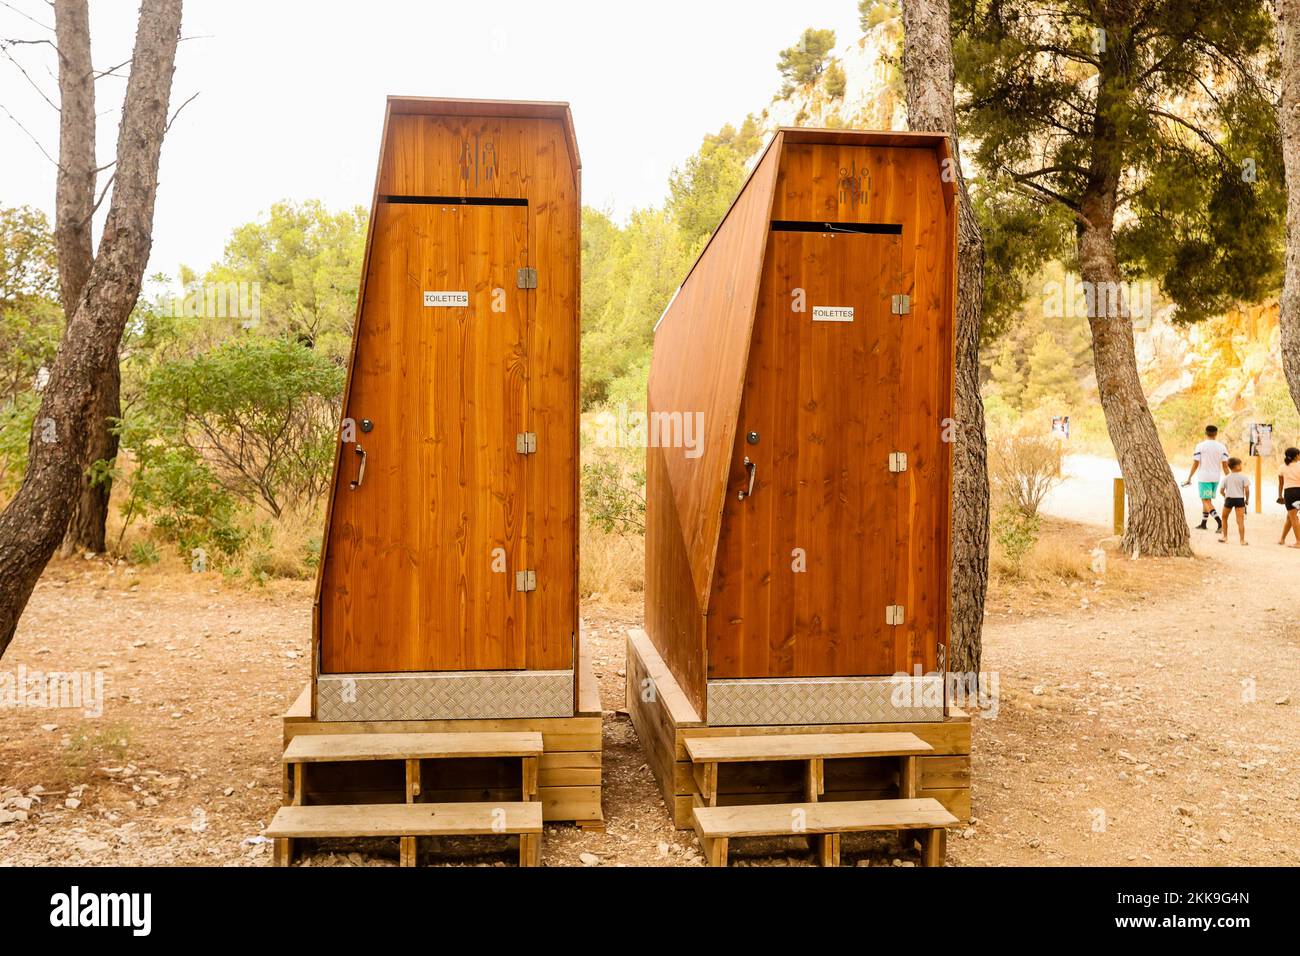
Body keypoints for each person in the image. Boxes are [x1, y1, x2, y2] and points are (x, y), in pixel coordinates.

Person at [1183, 424, 1229, 531]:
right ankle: (1203, 523)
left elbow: (1196, 463)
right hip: (1215, 478)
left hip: (1204, 478)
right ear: (1216, 434)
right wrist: (1229, 479)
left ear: (1205, 433)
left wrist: (1189, 477)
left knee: (1206, 501)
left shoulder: (1200, 446)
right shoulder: (1222, 447)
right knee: (1207, 499)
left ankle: (1220, 523)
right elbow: (1225, 466)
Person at [1219, 457, 1250, 545]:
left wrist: (1226, 496)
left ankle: (1225, 537)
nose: (1241, 466)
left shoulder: (1226, 478)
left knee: (1224, 518)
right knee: (1240, 520)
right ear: (1236, 466)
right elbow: (1247, 490)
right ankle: (1242, 540)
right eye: (1240, 464)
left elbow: (1221, 491)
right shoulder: (1244, 477)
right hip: (1240, 500)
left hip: (1229, 499)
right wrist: (1247, 500)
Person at [1277, 446, 1300, 548]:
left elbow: (1281, 484)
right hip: (1299, 492)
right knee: (1290, 517)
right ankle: (1282, 539)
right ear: (1296, 456)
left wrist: (1280, 496)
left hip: (1289, 493)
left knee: (1293, 517)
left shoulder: (1282, 467)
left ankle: (1298, 542)